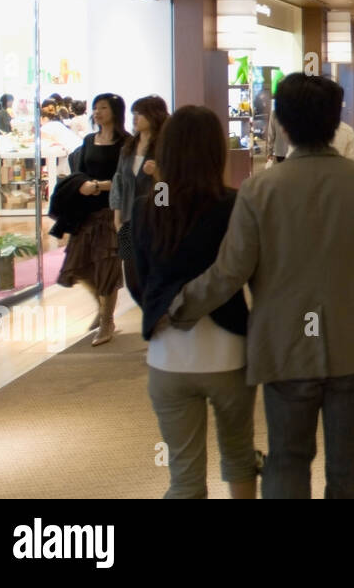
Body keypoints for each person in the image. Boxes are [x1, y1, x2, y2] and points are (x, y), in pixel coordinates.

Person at [158, 74, 354, 499]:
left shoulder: (259, 190)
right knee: (348, 462)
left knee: (287, 458)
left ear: (281, 122)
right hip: (353, 343)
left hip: (284, 344)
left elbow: (230, 271)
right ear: (337, 122)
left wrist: (178, 308)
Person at [132, 106, 255, 499]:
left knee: (183, 477)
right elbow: (254, 272)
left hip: (166, 357)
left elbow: (133, 275)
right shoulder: (235, 205)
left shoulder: (145, 206)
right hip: (229, 351)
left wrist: (158, 308)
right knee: (238, 455)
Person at [57, 93, 129, 346]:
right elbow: (80, 172)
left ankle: (107, 319)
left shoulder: (126, 143)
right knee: (79, 264)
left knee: (108, 265)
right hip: (86, 211)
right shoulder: (88, 140)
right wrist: (83, 185)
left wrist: (98, 185)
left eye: (103, 108)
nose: (98, 112)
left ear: (115, 111)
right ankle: (102, 309)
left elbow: (128, 180)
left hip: (114, 212)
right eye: (96, 108)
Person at [113, 95, 169, 301]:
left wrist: (157, 175)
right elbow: (119, 182)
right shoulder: (128, 147)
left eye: (140, 114)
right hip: (128, 221)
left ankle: (156, 317)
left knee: (154, 273)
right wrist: (117, 218)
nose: (135, 118)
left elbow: (166, 194)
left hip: (155, 221)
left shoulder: (164, 147)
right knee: (133, 278)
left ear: (153, 116)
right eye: (133, 114)